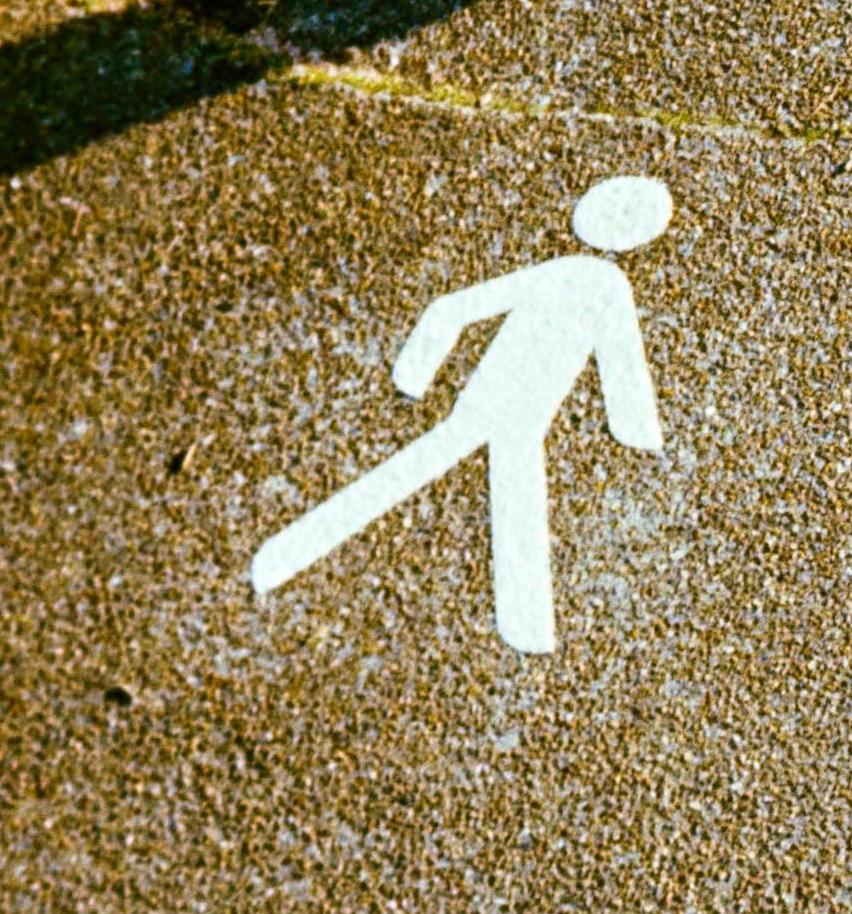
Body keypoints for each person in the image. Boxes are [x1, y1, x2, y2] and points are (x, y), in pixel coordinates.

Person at [249, 175, 671, 655]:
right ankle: (526, 628)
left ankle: (527, 627)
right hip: (506, 406)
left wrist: (416, 373)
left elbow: (455, 309)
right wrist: (636, 432)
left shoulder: (579, 276)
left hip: (506, 409)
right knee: (472, 483)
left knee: (462, 480)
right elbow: (619, 362)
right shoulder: (601, 284)